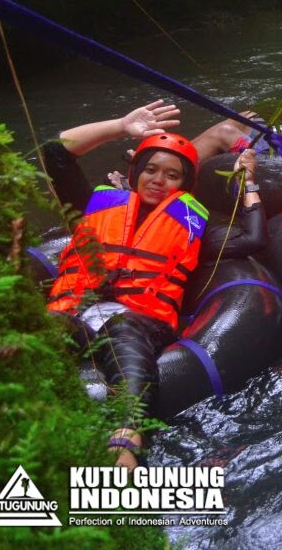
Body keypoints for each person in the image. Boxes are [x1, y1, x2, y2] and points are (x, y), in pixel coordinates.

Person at [42, 100, 267, 469]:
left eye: (171, 175)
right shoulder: (94, 204)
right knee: (46, 328)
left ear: (184, 184)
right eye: (150, 170)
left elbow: (253, 238)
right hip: (74, 311)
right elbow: (55, 152)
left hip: (139, 320)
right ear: (135, 173)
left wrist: (250, 180)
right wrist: (120, 125)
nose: (158, 180)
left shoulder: (192, 224)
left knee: (123, 330)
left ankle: (126, 438)